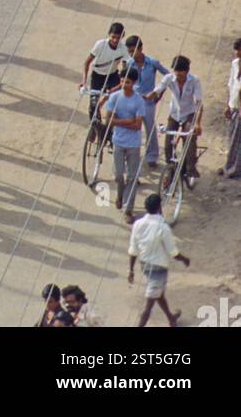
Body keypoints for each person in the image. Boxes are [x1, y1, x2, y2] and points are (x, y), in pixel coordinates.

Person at [128, 194, 189, 327]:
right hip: (158, 270)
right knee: (148, 306)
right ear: (159, 207)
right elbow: (173, 252)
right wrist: (185, 259)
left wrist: (131, 270)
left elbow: (133, 250)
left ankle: (171, 318)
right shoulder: (163, 227)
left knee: (159, 295)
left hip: (145, 267)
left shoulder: (137, 224)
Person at [100, 66, 146, 223]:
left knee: (132, 177)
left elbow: (138, 125)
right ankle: (120, 195)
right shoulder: (114, 97)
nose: (124, 84)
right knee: (119, 175)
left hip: (133, 144)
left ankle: (129, 209)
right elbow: (109, 120)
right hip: (118, 141)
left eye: (127, 82)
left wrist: (118, 121)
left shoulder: (139, 100)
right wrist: (127, 121)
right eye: (122, 81)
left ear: (133, 83)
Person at [148, 55, 203, 181]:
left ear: (187, 71)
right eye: (176, 72)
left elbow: (199, 104)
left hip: (189, 113)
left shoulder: (194, 81)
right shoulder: (169, 78)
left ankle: (190, 168)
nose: (178, 76)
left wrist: (198, 124)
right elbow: (157, 91)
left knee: (189, 138)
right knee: (168, 144)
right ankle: (170, 168)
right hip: (174, 114)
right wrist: (146, 97)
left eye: (181, 73)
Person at [125, 36, 170, 170]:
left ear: (141, 48)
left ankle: (152, 156)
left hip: (148, 101)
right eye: (129, 51)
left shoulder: (152, 63)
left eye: (133, 51)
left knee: (150, 128)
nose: (131, 54)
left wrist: (158, 94)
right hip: (132, 100)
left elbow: (168, 77)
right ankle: (131, 156)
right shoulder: (129, 63)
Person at [82, 20, 126, 113]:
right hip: (97, 75)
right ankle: (95, 125)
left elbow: (125, 69)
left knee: (118, 101)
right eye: (113, 37)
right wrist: (84, 82)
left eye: (118, 38)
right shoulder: (100, 44)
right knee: (93, 105)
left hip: (112, 75)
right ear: (109, 34)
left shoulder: (123, 49)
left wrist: (119, 85)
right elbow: (87, 63)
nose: (115, 40)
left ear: (122, 36)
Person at [220, 37, 241, 179]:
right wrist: (228, 104)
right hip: (234, 106)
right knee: (232, 137)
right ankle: (230, 164)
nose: (236, 53)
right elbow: (231, 85)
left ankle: (234, 168)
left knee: (238, 140)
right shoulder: (235, 64)